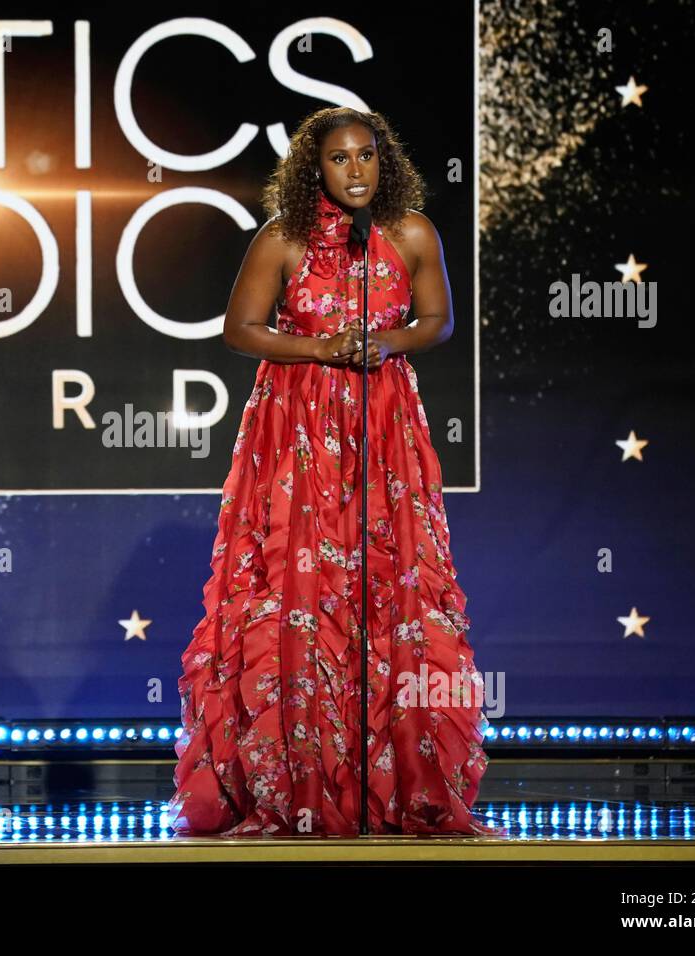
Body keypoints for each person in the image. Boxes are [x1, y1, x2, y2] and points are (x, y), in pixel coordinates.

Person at [167, 106, 505, 837]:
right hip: (297, 429)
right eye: (340, 159)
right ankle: (299, 783)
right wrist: (322, 351)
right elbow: (241, 330)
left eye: (367, 157)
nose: (356, 171)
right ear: (312, 169)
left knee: (394, 583)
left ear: (387, 164)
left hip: (384, 423)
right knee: (298, 584)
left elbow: (437, 321)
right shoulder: (283, 240)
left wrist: (386, 342)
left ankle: (400, 780)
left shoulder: (412, 233)